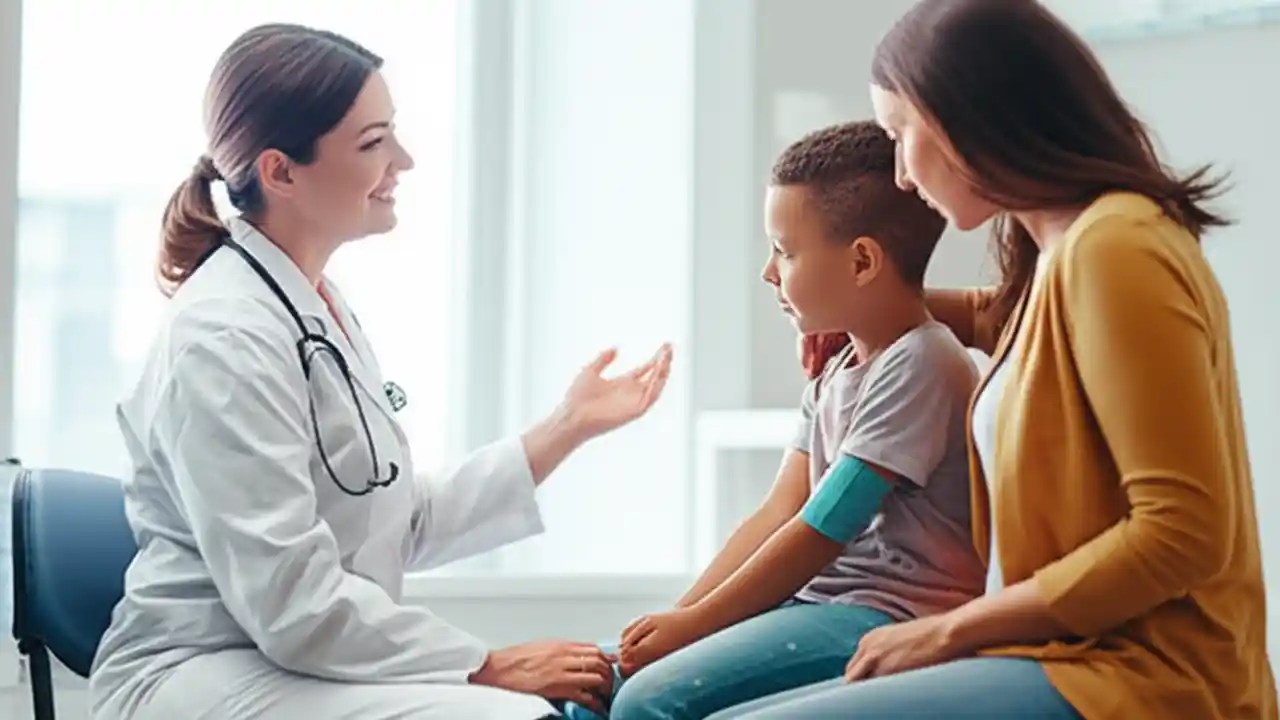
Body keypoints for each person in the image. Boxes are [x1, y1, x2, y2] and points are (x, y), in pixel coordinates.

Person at [88, 24, 672, 720]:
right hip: (203, 669)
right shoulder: (223, 338)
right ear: (280, 172)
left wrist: (565, 427)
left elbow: (388, 519)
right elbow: (290, 599)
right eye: (373, 143)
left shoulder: (311, 307)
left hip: (284, 654)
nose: (405, 160)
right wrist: (486, 665)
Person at [713, 1, 1276, 718]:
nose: (902, 174)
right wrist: (862, 314)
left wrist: (953, 628)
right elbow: (1004, 321)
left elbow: (1181, 534)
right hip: (1062, 653)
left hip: (1136, 675)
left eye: (899, 134)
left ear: (963, 121)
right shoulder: (1071, 254)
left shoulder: (1116, 249)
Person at [564, 121, 986, 720]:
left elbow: (823, 525)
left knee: (649, 702)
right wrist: (672, 621)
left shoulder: (923, 362)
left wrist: (692, 627)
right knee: (586, 690)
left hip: (883, 614)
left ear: (862, 260)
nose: (769, 271)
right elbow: (776, 511)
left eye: (784, 251)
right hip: (818, 604)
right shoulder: (837, 368)